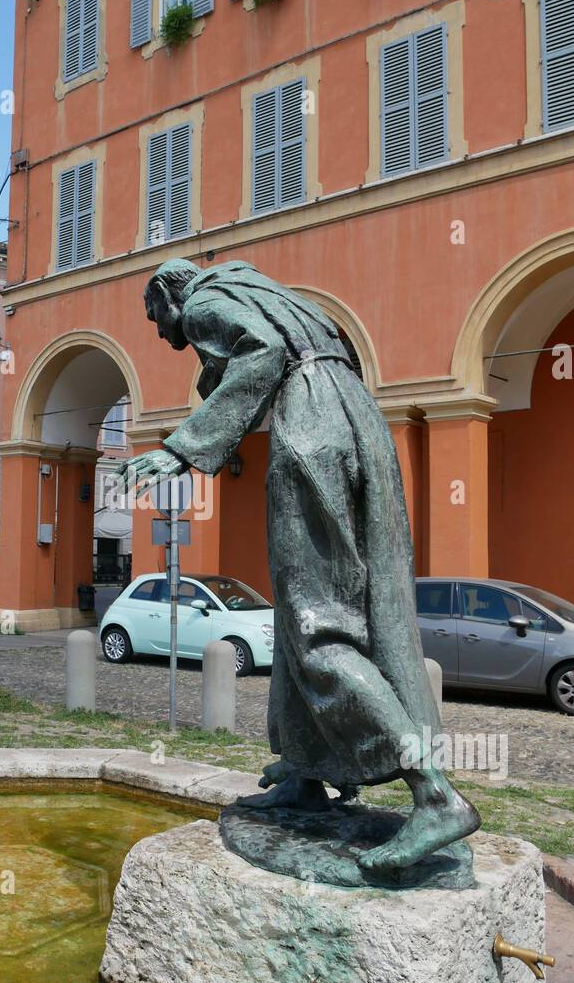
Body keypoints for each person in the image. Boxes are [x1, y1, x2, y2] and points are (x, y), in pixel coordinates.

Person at [118, 258, 480, 873]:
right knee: (316, 613)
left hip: (311, 432)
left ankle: (434, 795)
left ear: (166, 294)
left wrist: (183, 451)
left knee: (318, 628)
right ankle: (308, 772)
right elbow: (251, 360)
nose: (160, 334)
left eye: (155, 320)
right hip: (357, 421)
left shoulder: (205, 303)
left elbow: (258, 355)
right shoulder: (266, 292)